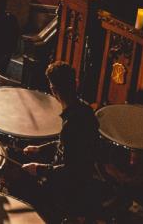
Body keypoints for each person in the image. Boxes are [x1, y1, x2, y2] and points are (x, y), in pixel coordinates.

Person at [20, 61, 101, 218]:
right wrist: (40, 149)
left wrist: (39, 168)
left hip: (68, 189)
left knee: (19, 182)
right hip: (74, 176)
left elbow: (71, 170)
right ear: (75, 83)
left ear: (53, 89)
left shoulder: (72, 124)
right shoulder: (84, 110)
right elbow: (68, 145)